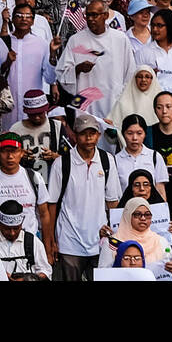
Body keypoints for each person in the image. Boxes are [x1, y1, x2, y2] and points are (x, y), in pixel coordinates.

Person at [44, 113, 120, 280]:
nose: (88, 138)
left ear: (98, 135)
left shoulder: (107, 161)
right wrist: (50, 242)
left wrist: (115, 236)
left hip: (100, 240)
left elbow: (113, 202)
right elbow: (51, 205)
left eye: (92, 133)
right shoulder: (61, 164)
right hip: (68, 242)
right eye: (83, 133)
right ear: (75, 136)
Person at [0, 133, 51, 235]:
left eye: (14, 151)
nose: (10, 156)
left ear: (22, 153)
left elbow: (44, 214)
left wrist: (47, 246)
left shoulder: (35, 177)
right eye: (5, 151)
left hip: (30, 241)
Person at [0, 199, 52, 280]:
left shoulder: (32, 242)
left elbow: (46, 270)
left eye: (16, 228)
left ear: (21, 224)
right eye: (7, 229)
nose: (12, 233)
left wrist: (30, 278)